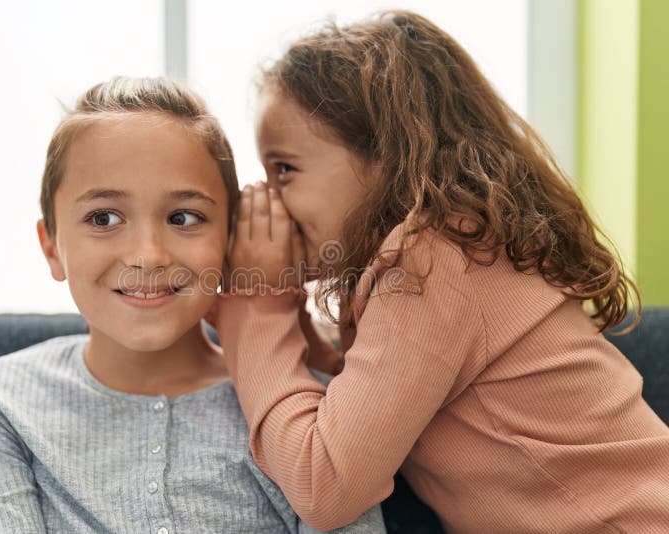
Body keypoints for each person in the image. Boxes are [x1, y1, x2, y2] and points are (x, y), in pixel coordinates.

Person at [213, 10, 669, 533]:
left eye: (284, 169)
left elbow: (325, 486)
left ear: (388, 156)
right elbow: (354, 408)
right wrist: (283, 312)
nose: (266, 197)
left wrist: (257, 303)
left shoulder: (433, 259)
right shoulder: (457, 248)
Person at [0, 76, 384, 533]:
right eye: (104, 218)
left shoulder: (307, 421)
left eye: (183, 218)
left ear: (231, 241)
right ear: (52, 246)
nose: (148, 254)